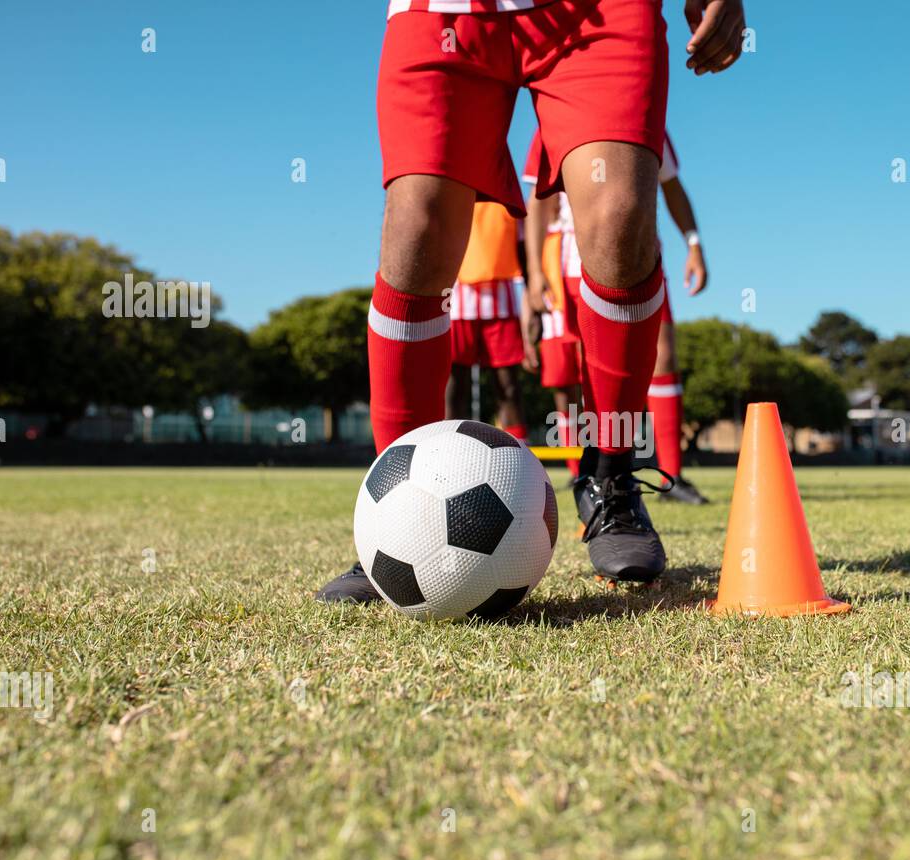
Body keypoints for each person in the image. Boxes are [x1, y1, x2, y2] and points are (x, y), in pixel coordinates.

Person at [317, 0, 748, 603]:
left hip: (596, 12)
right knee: (416, 232)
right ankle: (393, 520)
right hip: (446, 13)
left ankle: (610, 478)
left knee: (620, 215)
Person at [522, 127, 711, 504]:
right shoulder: (550, 123)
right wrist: (535, 272)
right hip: (570, 259)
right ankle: (586, 474)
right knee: (579, 370)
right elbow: (538, 204)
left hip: (638, 251)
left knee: (663, 355)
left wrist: (693, 242)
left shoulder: (645, 117)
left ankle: (672, 475)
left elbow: (672, 185)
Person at [445, 201, 528, 443]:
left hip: (501, 301)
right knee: (454, 382)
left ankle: (518, 447)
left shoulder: (509, 201)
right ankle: (450, 446)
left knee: (507, 384)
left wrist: (533, 291)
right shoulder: (451, 194)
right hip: (456, 299)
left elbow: (524, 249)